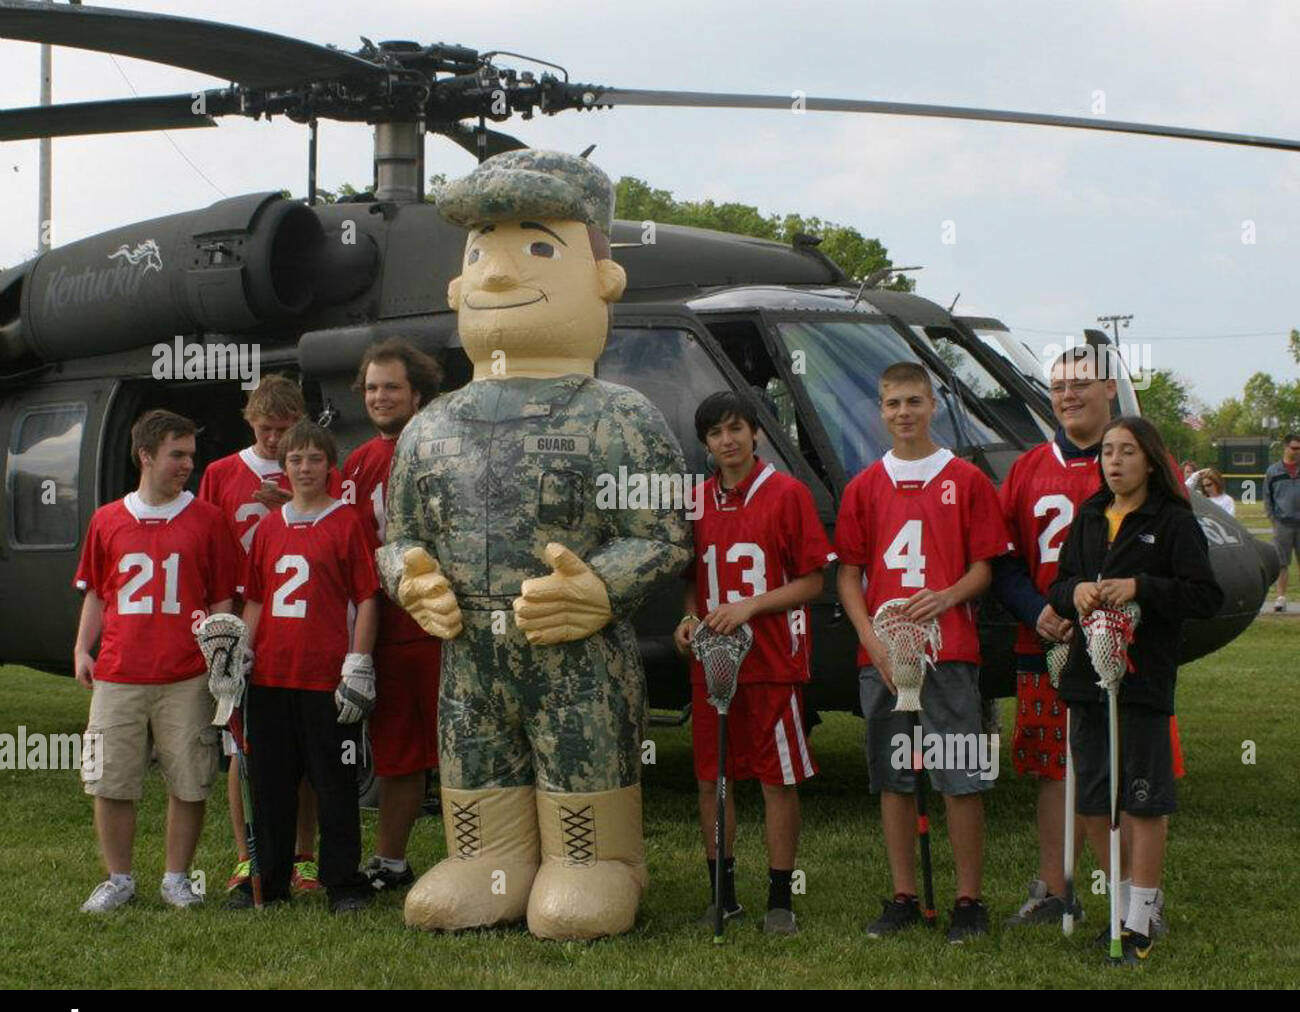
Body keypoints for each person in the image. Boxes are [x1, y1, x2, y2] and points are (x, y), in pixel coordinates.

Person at [378, 149, 691, 940]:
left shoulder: (616, 414)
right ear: (456, 285)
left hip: (574, 651)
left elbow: (660, 534)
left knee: (579, 752)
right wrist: (409, 577)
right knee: (476, 756)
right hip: (470, 652)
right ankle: (489, 862)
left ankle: (597, 860)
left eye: (538, 247)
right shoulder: (430, 425)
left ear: (601, 278)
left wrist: (602, 588)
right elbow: (399, 533)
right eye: (479, 250)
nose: (496, 273)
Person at [835, 362, 1011, 943]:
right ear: (880, 411)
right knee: (893, 777)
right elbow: (849, 575)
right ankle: (904, 894)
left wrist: (947, 597)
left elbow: (986, 566)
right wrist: (870, 638)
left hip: (949, 649)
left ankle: (968, 899)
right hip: (884, 655)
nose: (904, 413)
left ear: (932, 404)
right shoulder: (864, 486)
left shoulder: (966, 479)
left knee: (959, 774)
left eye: (914, 401)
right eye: (893, 404)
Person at [1048, 417, 1222, 963]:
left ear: (1151, 460)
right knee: (1095, 797)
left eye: (1127, 451)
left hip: (1142, 679)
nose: (1114, 461)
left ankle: (1144, 917)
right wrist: (1073, 591)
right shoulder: (1089, 516)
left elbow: (1204, 595)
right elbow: (1058, 583)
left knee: (1142, 797)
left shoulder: (1172, 522)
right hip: (1085, 676)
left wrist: (1140, 587)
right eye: (1106, 452)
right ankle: (1124, 906)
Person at [673, 391, 836, 936]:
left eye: (736, 428)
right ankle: (723, 895)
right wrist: (689, 618)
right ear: (705, 443)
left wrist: (751, 606)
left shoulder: (787, 494)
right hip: (712, 665)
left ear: (756, 433)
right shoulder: (695, 501)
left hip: (771, 661)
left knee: (775, 780)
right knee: (711, 778)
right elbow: (692, 581)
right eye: (717, 433)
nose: (728, 440)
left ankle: (780, 899)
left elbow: (815, 581)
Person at [73, 409, 240, 912]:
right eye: (177, 454)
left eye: (191, 454)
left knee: (190, 778)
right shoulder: (107, 519)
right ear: (146, 455)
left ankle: (176, 877)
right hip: (120, 669)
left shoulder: (208, 519)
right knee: (111, 778)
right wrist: (83, 647)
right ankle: (119, 878)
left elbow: (220, 599)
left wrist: (222, 653)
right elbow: (100, 593)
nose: (188, 464)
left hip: (185, 672)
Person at [198, 374, 340, 896]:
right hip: (243, 619)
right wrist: (219, 628)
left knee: (302, 750)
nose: (277, 441)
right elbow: (208, 544)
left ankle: (303, 856)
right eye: (266, 429)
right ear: (249, 422)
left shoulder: (310, 468)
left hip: (299, 624)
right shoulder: (220, 473)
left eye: (285, 428)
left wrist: (290, 497)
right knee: (242, 746)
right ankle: (247, 856)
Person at [232, 420, 379, 914]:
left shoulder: (347, 521)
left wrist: (359, 661)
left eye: (315, 459)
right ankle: (268, 879)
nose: (305, 468)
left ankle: (344, 883)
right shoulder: (270, 527)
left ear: (329, 465)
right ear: (284, 467)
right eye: (296, 459)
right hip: (271, 676)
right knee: (270, 785)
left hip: (326, 678)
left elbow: (367, 598)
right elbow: (255, 599)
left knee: (334, 785)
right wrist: (243, 653)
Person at [992, 346, 1115, 927]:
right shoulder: (1026, 468)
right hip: (1044, 640)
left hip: (1117, 642)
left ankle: (1133, 896)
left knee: (1114, 765)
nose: (1068, 395)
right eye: (1058, 385)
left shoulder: (1135, 458)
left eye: (1081, 383)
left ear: (1110, 389)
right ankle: (1056, 887)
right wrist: (1036, 609)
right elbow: (1004, 559)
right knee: (1051, 766)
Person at [341, 338, 444, 891]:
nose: (380, 397)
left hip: (443, 626)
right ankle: (392, 863)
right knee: (398, 756)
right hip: (383, 629)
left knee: (461, 753)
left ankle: (479, 861)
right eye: (373, 387)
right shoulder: (356, 462)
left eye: (392, 387)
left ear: (418, 392)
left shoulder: (442, 448)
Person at [1264, 432, 1300, 612]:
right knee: (1282, 562)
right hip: (1283, 524)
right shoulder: (1273, 471)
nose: (1298, 451)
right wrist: (1273, 520)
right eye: (1295, 448)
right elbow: (1267, 497)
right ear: (1286, 447)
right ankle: (1280, 598)